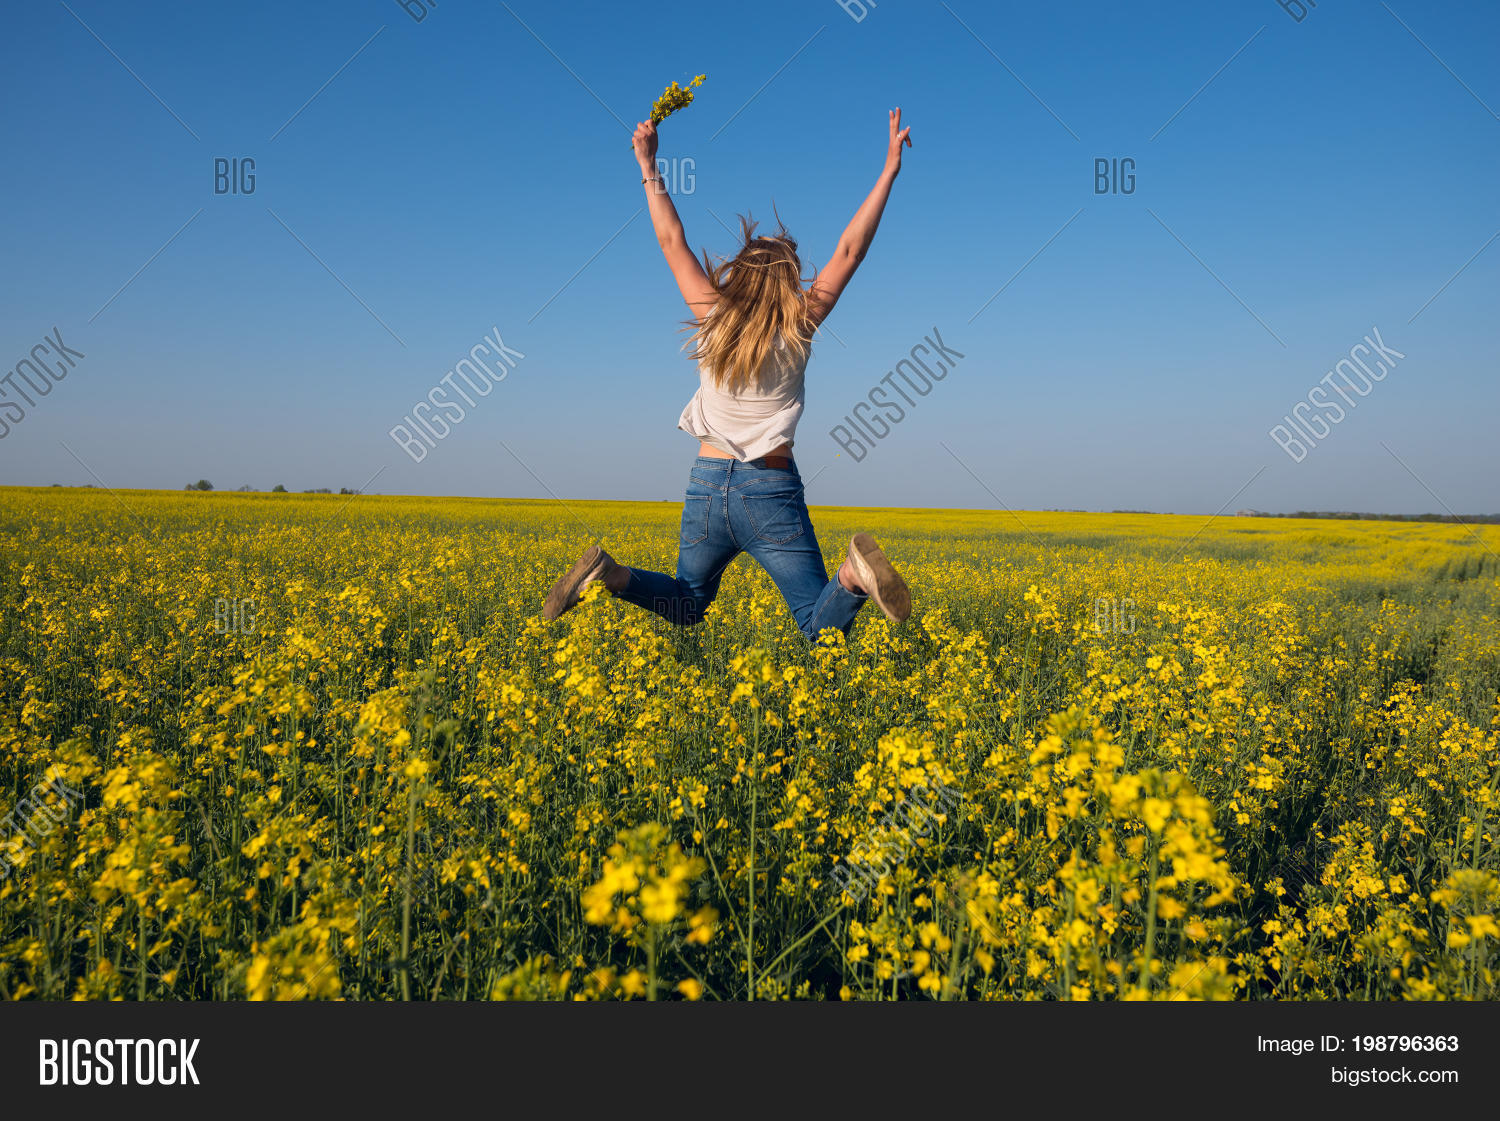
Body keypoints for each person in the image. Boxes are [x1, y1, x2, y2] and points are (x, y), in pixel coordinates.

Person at [543, 109, 915, 640]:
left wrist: (648, 164)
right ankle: (854, 576)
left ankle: (614, 574)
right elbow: (850, 251)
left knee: (688, 605)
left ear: (737, 274)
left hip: (706, 482)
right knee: (815, 622)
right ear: (789, 283)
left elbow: (673, 242)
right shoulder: (800, 323)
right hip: (769, 487)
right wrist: (888, 171)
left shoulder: (713, 318)